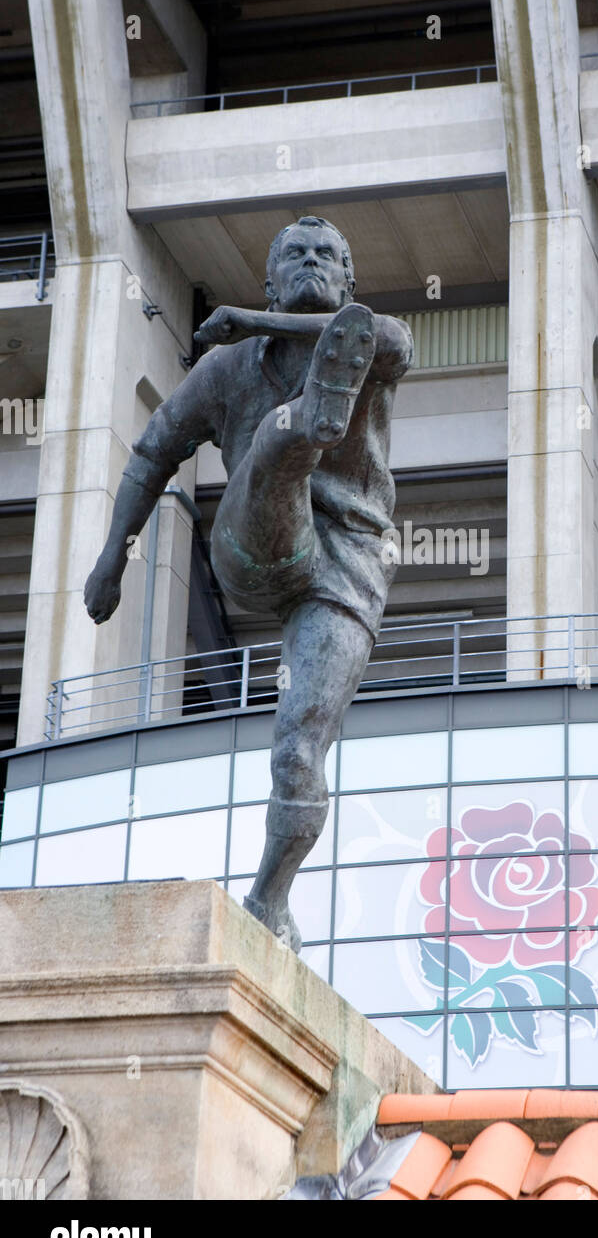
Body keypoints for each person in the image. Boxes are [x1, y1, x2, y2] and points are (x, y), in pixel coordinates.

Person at [84, 216, 413, 949]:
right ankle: (299, 428)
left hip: (347, 566)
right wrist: (112, 556)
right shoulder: (225, 371)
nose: (309, 264)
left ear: (346, 282)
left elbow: (387, 335)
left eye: (327, 256)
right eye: (293, 255)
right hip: (256, 549)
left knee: (300, 747)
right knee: (273, 447)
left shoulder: (372, 344)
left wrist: (252, 319)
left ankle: (270, 901)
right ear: (268, 278)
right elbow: (149, 456)